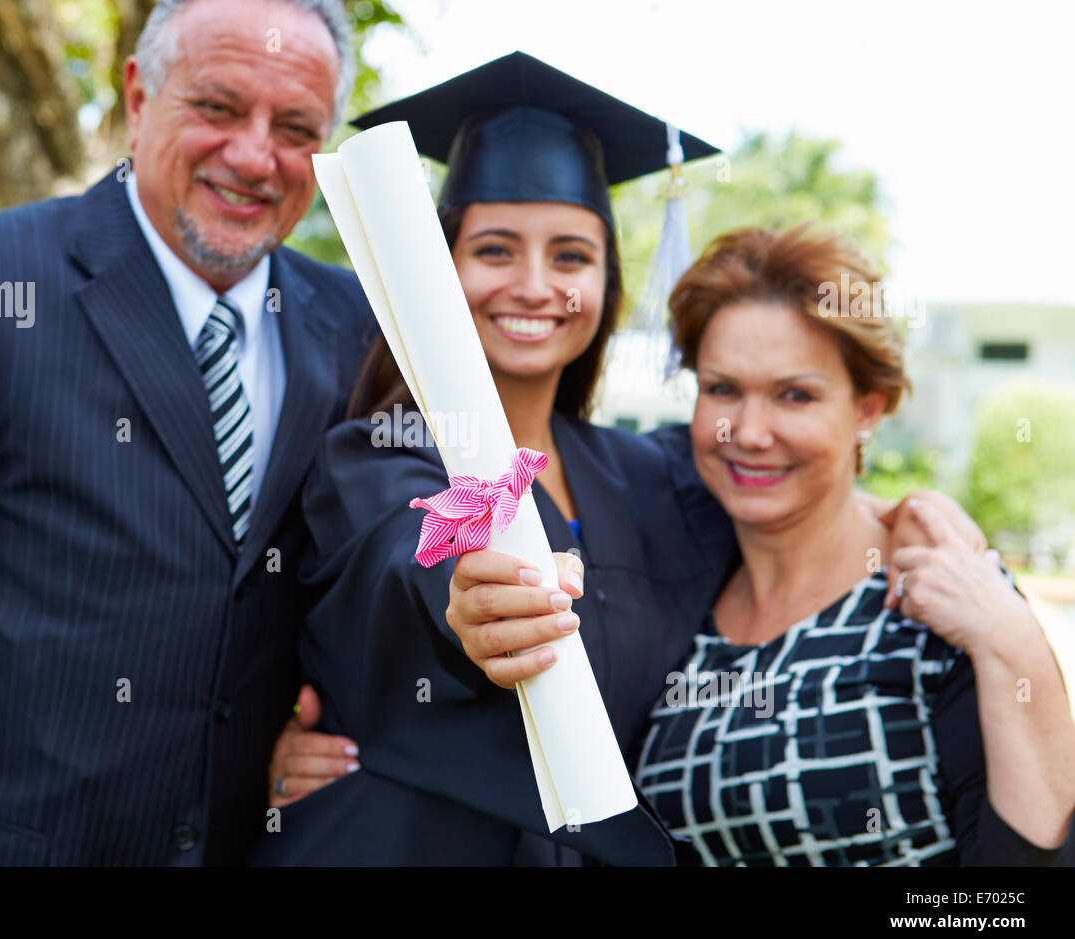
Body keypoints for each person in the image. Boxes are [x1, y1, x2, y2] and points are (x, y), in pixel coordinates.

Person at [252, 54, 978, 865]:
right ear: (441, 269)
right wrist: (473, 603)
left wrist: (914, 513)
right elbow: (409, 566)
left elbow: (791, 483)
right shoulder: (375, 462)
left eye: (570, 256)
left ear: (606, 282)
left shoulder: (659, 477)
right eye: (494, 250)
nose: (534, 285)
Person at [0, 0, 375, 865]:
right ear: (138, 95)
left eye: (295, 127)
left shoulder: (353, 330)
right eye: (216, 107)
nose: (254, 155)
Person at [447, 226, 1075, 865]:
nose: (747, 432)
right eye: (722, 389)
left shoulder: (939, 598)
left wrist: (1010, 633)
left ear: (867, 410)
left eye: (794, 395)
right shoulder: (679, 599)